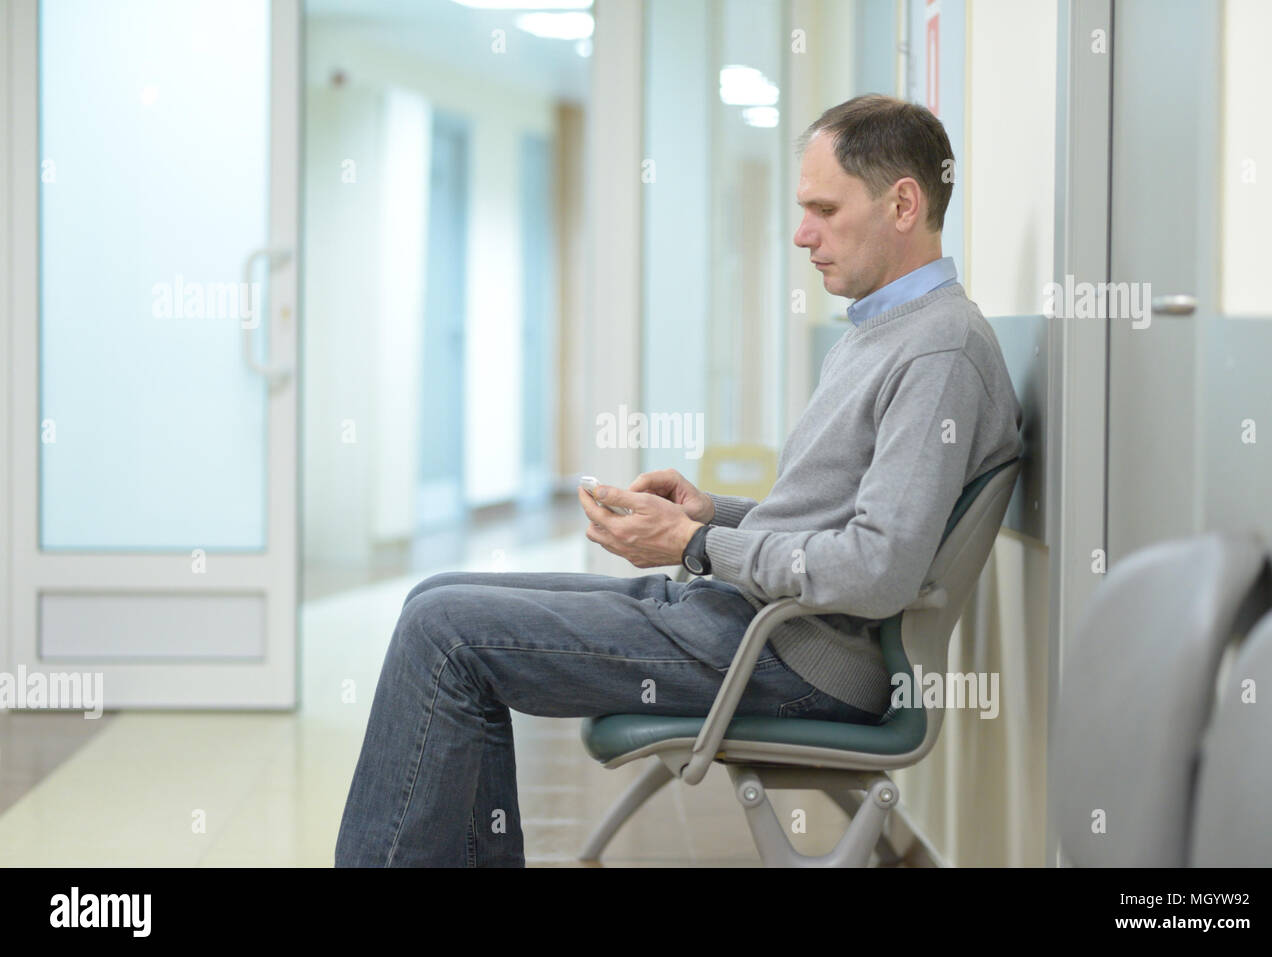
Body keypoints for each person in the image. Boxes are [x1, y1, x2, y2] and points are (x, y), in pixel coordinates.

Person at [335, 93, 1023, 867]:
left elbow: (875, 568)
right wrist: (712, 513)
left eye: (824, 210)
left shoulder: (939, 353)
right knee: (435, 597)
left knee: (443, 634)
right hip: (754, 622)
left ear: (903, 203)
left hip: (790, 654)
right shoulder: (882, 332)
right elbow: (839, 523)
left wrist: (697, 542)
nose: (803, 235)